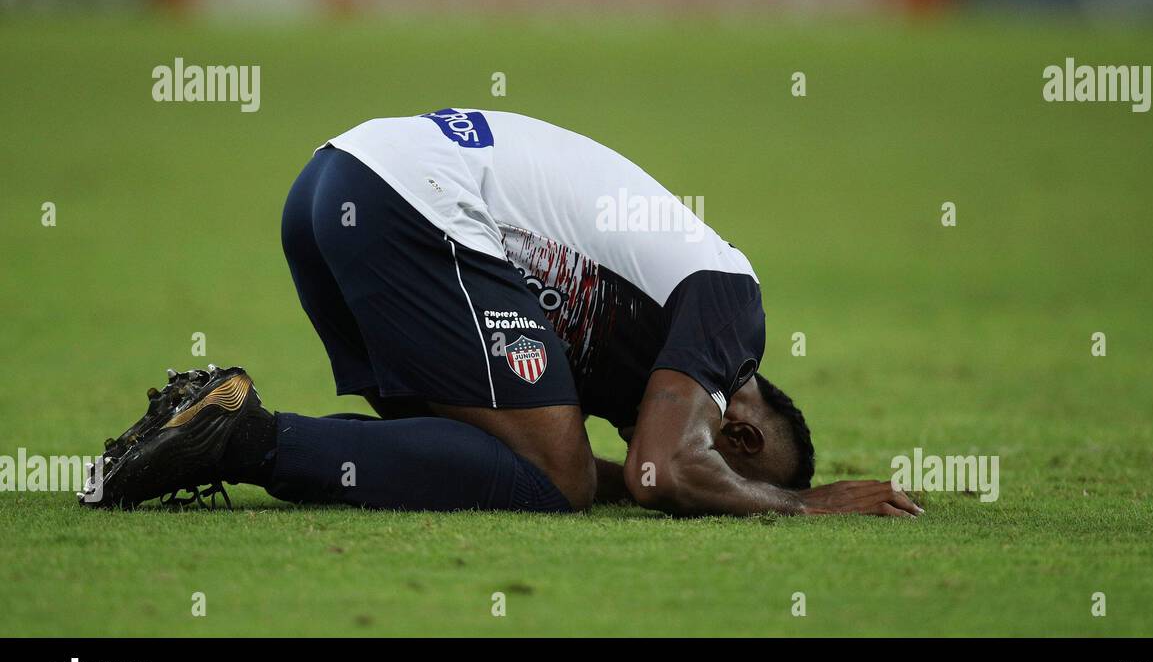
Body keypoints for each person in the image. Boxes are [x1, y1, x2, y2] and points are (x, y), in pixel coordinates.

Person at [81, 110, 921, 519]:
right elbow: (661, 470)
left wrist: (655, 484)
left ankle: (203, 423)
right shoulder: (732, 306)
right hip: (409, 196)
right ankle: (242, 438)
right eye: (732, 474)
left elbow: (631, 472)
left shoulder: (641, 365)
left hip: (329, 187)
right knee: (551, 476)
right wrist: (807, 505)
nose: (719, 488)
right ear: (736, 429)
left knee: (497, 462)